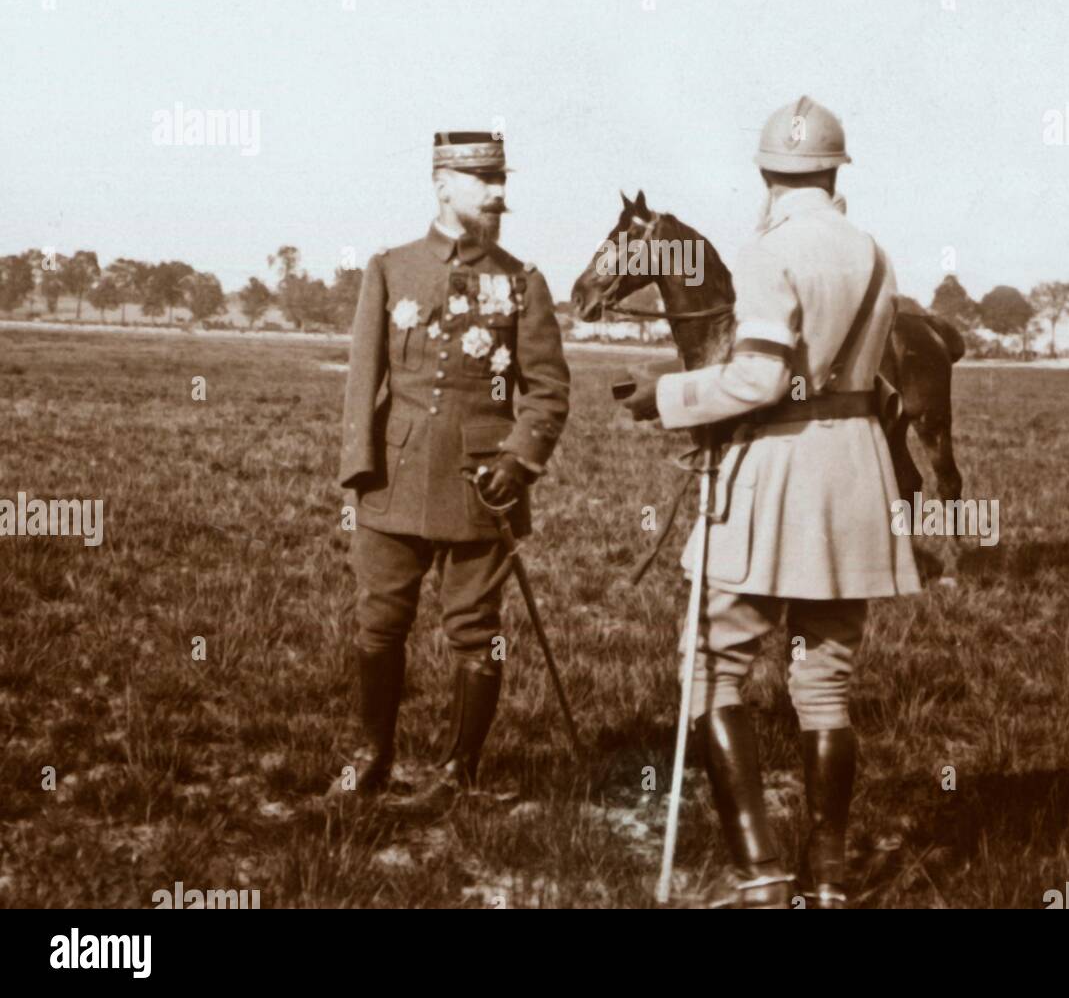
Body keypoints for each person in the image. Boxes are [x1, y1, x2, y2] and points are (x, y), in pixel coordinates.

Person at [621, 96, 921, 908]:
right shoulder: (875, 253)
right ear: (834, 169)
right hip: (856, 477)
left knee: (714, 665)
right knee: (825, 679)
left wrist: (668, 394)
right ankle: (828, 885)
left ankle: (760, 875)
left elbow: (758, 378)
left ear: (765, 173)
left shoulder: (767, 251)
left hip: (777, 474)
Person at [332, 130, 570, 810]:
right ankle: (371, 756)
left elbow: (548, 389)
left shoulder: (522, 282)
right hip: (394, 480)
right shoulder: (391, 268)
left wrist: (518, 463)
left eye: (501, 179)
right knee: (378, 623)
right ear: (442, 184)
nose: (498, 192)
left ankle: (457, 772)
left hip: (479, 487)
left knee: (475, 628)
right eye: (482, 179)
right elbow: (362, 378)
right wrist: (360, 470)